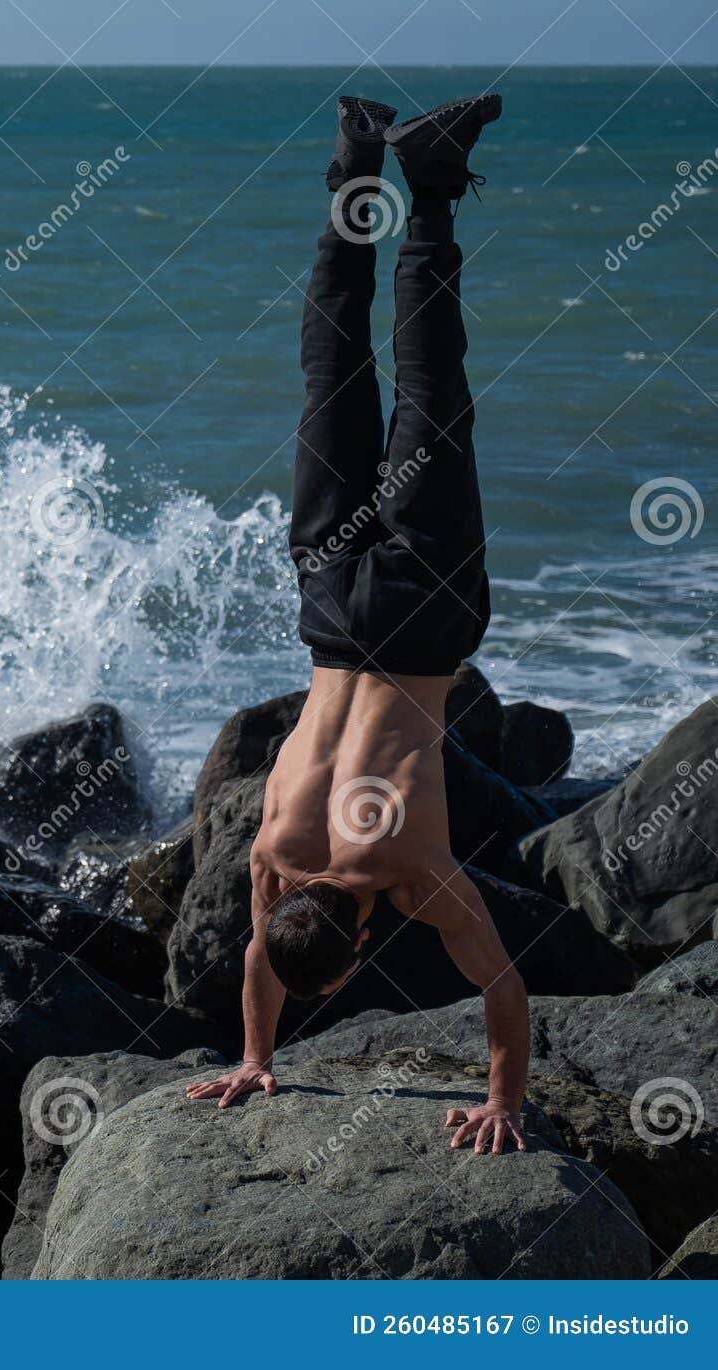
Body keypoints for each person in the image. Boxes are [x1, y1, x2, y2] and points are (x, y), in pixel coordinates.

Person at [186, 95, 530, 1156]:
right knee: (332, 369)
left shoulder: (409, 865)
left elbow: (504, 989)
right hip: (329, 604)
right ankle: (354, 163)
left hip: (423, 615)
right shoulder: (275, 849)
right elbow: (259, 953)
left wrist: (503, 1101)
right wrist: (254, 1048)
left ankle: (427, 182)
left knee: (430, 384)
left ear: (361, 935)